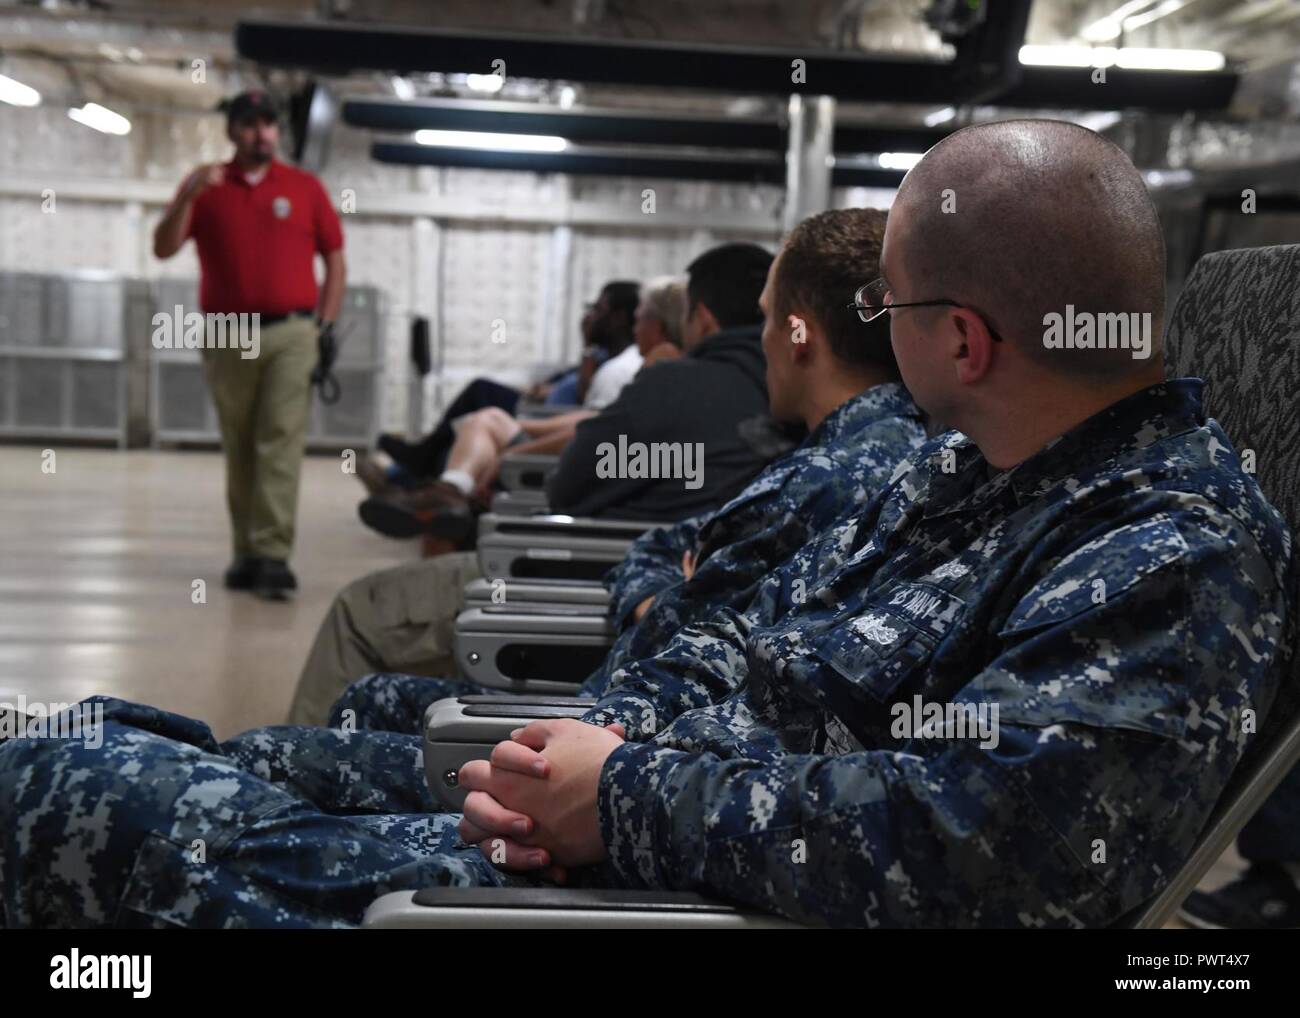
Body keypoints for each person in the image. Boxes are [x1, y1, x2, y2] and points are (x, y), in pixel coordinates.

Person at [2, 121, 1290, 930]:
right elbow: (765, 633)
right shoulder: (981, 468)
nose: (875, 339)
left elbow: (982, 856)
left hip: (673, 879)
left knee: (51, 790)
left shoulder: (1171, 548)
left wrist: (620, 794)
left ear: (961, 338)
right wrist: (613, 740)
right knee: (132, 737)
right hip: (639, 807)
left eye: (889, 306)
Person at [286, 208, 923, 725]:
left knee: (340, 697)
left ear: (797, 333)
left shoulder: (827, 473)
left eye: (767, 319)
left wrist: (656, 590)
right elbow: (676, 554)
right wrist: (664, 578)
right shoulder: (899, 451)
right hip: (626, 726)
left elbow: (670, 604)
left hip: (600, 744)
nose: (761, 340)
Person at [152, 90, 346, 599]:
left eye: (269, 124)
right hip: (226, 331)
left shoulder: (304, 188)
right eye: (250, 124)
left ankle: (273, 554)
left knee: (278, 440)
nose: (262, 133)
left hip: (291, 332)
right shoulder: (207, 187)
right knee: (239, 443)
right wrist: (189, 194)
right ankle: (244, 551)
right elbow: (163, 247)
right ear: (232, 131)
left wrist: (324, 325)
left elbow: (336, 260)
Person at [366, 281, 641, 489]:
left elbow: (590, 415)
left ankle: (417, 467)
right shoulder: (602, 355)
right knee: (467, 422)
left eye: (599, 309)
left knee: (480, 395)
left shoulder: (617, 368)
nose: (592, 316)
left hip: (550, 420)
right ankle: (405, 475)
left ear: (618, 317)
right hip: (544, 410)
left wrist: (523, 429)